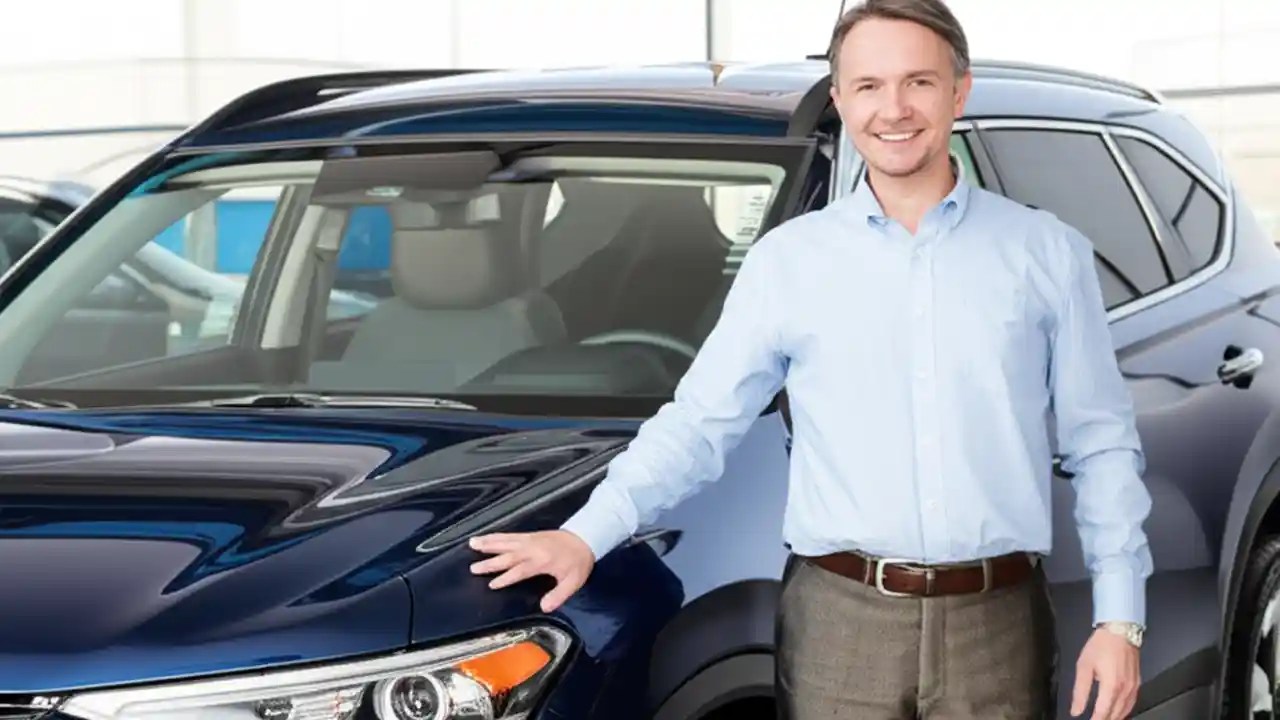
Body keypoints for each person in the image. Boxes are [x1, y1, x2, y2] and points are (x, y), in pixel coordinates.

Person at [468, 0, 1153, 717]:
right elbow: (699, 424)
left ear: (960, 90)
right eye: (868, 85)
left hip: (998, 621)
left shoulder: (1044, 253)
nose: (894, 108)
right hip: (839, 620)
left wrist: (1119, 620)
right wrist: (587, 533)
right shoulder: (789, 263)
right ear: (840, 99)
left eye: (918, 82)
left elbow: (1101, 445)